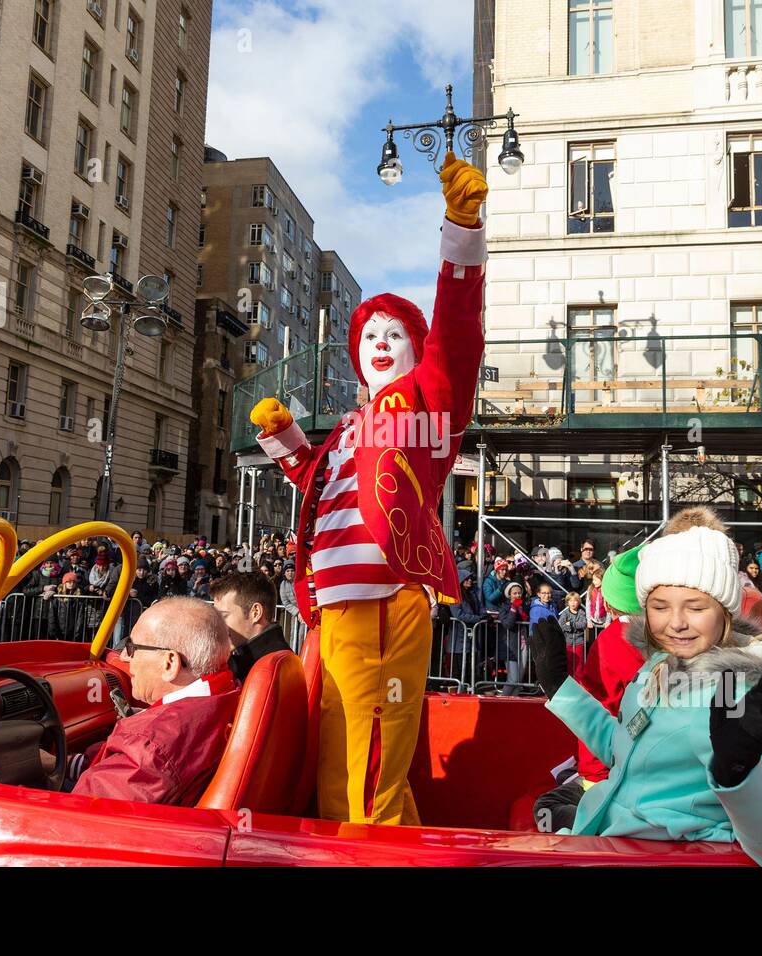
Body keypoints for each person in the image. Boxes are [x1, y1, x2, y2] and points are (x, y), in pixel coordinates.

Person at [246, 151, 488, 826]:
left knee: (376, 741)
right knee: (338, 742)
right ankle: (348, 843)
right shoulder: (356, 424)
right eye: (370, 335)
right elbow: (319, 486)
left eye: (396, 333)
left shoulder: (425, 402)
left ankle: (373, 850)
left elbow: (459, 333)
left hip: (386, 598)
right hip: (333, 607)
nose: (381, 343)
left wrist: (462, 230)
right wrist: (284, 437)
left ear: (418, 347)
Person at [529, 525, 762, 866]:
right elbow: (622, 748)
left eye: (695, 607)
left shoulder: (732, 689)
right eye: (660, 607)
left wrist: (740, 770)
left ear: (724, 612)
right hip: (609, 841)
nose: (676, 623)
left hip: (661, 856)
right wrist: (561, 689)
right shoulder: (659, 666)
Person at [0, 598, 239, 806]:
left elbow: (68, 831)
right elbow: (121, 775)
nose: (123, 657)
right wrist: (61, 762)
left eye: (132, 647)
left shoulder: (152, 744)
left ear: (170, 662)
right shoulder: (226, 692)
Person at [210, 571, 293, 683]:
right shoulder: (274, 657)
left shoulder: (262, 672)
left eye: (223, 616)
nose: (217, 625)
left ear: (255, 612)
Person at [557, 589, 588, 673]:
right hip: (568, 642)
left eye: (575, 601)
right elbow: (560, 625)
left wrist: (571, 624)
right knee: (569, 663)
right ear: (567, 602)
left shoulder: (581, 612)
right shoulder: (565, 613)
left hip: (579, 642)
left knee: (579, 663)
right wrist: (570, 628)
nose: (573, 603)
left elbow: (583, 624)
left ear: (579, 602)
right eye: (570, 601)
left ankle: (579, 682)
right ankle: (571, 680)